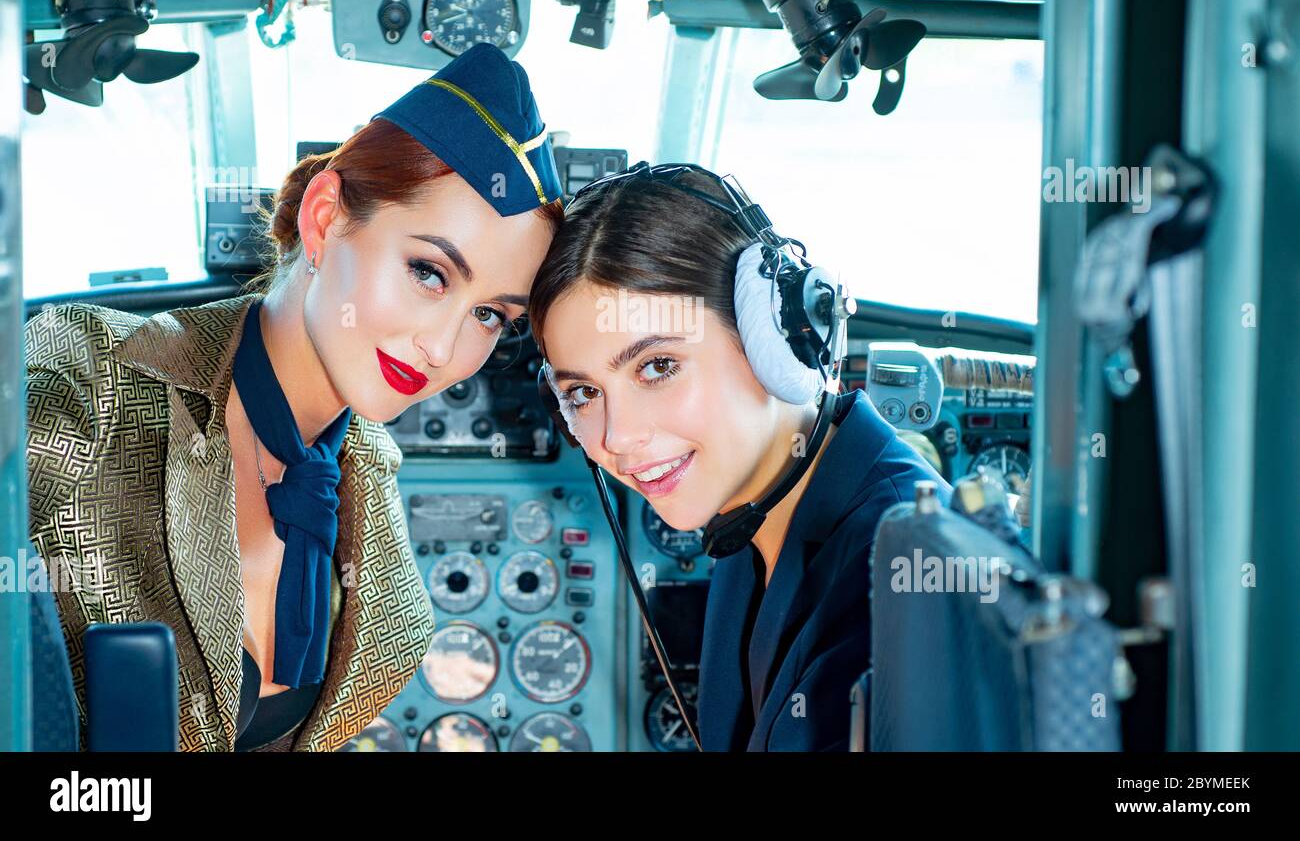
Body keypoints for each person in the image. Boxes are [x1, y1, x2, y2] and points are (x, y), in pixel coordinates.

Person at [24, 43, 565, 751]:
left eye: (491, 315)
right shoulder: (93, 378)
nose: (444, 348)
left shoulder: (369, 487)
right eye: (429, 272)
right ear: (324, 217)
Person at [527, 162, 952, 751]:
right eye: (584, 393)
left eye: (657, 367)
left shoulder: (902, 587)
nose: (617, 437)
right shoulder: (747, 525)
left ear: (774, 338)